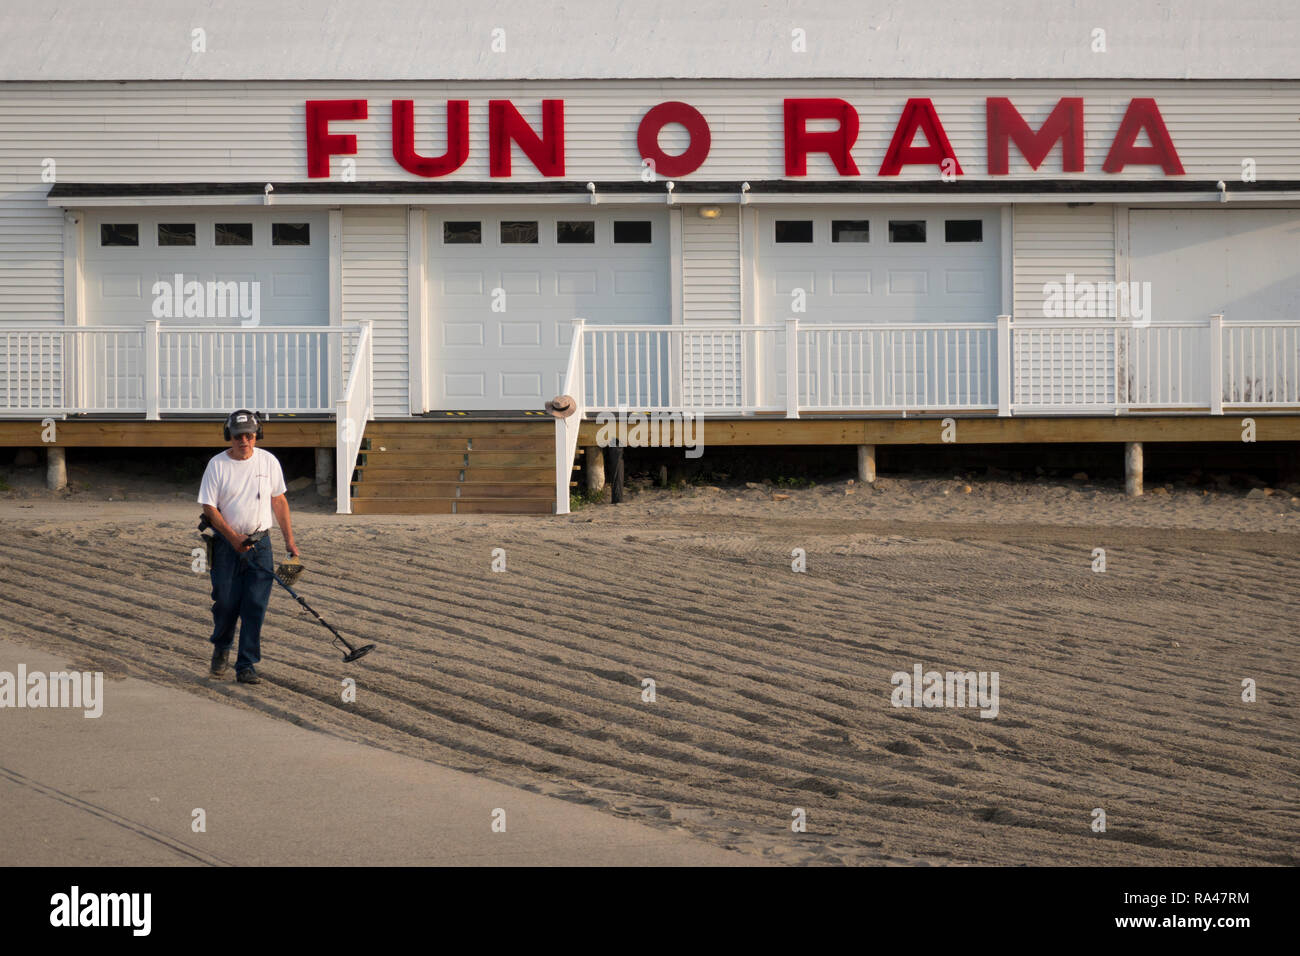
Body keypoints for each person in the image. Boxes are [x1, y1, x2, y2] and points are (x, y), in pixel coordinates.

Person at [198, 409, 299, 685]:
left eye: (249, 435)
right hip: (225, 544)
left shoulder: (268, 462)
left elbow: (278, 501)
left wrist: (289, 539)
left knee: (255, 604)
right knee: (227, 602)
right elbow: (209, 508)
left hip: (261, 543)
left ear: (257, 436)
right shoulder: (217, 465)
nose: (244, 441)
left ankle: (246, 665)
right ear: (229, 436)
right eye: (238, 436)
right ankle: (222, 647)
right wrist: (233, 538)